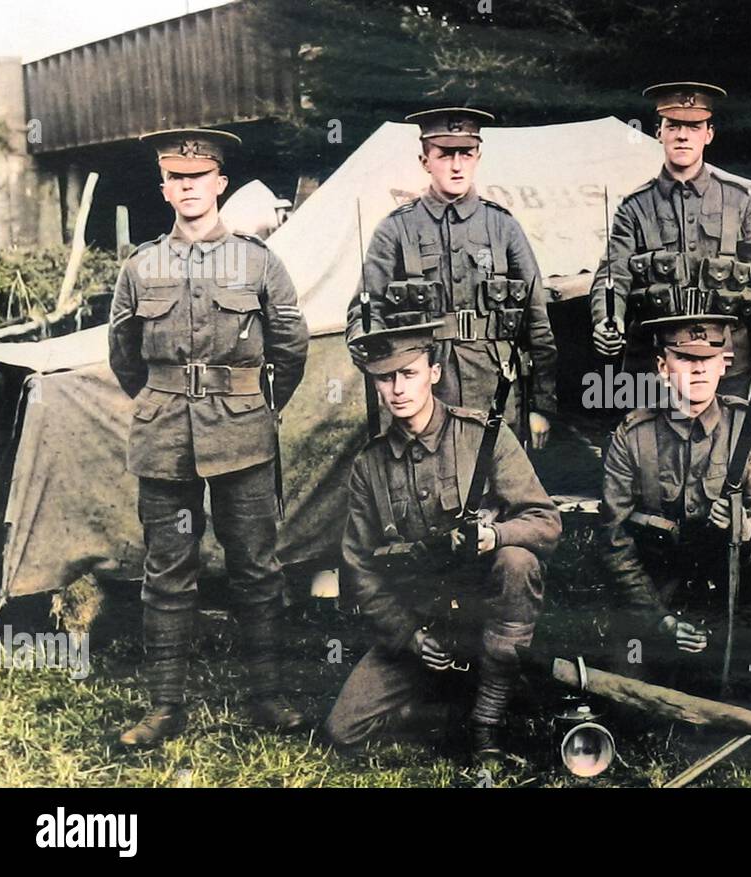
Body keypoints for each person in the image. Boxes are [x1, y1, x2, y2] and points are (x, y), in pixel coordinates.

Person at [108, 128, 310, 745]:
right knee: (167, 571)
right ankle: (164, 707)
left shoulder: (257, 260)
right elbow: (124, 356)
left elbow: (291, 346)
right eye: (177, 178)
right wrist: (162, 398)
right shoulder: (140, 265)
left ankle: (268, 697)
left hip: (244, 437)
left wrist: (255, 406)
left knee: (256, 567)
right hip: (164, 438)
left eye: (200, 177)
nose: (188, 187)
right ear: (164, 188)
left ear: (219, 183)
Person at [325, 314, 562, 759]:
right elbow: (360, 568)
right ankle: (450, 716)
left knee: (518, 561)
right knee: (345, 731)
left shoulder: (481, 436)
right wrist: (411, 637)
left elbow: (545, 522)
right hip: (424, 621)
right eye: (385, 378)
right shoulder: (369, 465)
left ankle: (486, 724)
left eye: (409, 374)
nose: (397, 389)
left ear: (433, 373)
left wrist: (495, 535)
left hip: (487, 615)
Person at [600, 312, 751, 686]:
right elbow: (615, 545)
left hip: (727, 583)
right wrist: (659, 620)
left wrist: (746, 529)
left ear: (724, 365)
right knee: (630, 704)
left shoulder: (745, 427)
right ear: (662, 366)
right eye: (685, 359)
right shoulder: (632, 436)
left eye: (708, 359)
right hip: (659, 589)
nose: (698, 370)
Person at [346, 107, 556, 448]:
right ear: (425, 160)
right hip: (425, 391)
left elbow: (537, 321)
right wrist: (388, 371)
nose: (457, 166)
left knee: (496, 488)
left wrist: (542, 405)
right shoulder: (396, 229)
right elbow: (363, 314)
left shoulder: (503, 226)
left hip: (496, 387)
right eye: (445, 155)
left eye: (466, 154)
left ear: (478, 157)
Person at [590, 83, 751, 399]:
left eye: (693, 126)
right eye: (673, 125)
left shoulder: (738, 202)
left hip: (728, 364)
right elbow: (613, 274)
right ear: (658, 133)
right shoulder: (635, 207)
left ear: (709, 134)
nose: (682, 135)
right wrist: (607, 319)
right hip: (655, 362)